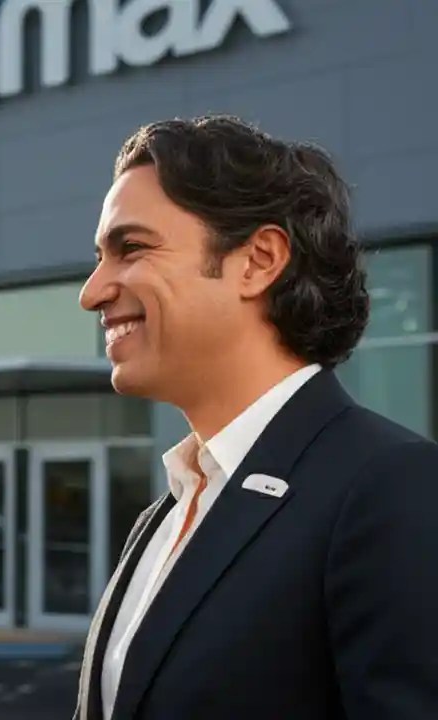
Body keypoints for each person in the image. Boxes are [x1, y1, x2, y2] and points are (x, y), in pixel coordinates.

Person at [74, 115, 438, 719]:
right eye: (99, 257)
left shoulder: (390, 489)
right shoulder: (164, 515)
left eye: (130, 248)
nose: (92, 291)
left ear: (258, 260)